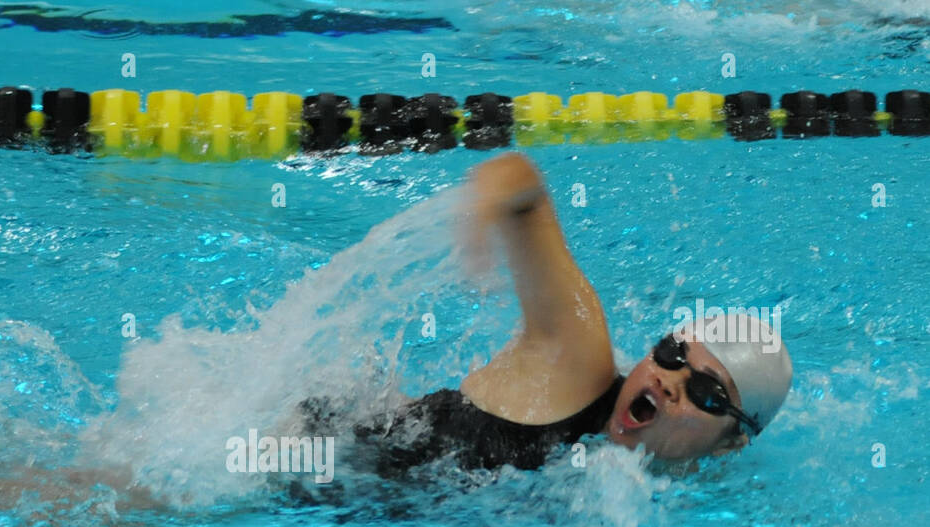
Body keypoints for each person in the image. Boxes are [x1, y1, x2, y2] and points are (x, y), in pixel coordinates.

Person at [319, 152, 793, 478]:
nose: (669, 381)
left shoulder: (664, 498)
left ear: (732, 443)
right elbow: (522, 183)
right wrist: (488, 202)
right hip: (307, 464)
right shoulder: (575, 367)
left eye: (706, 393)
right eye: (671, 354)